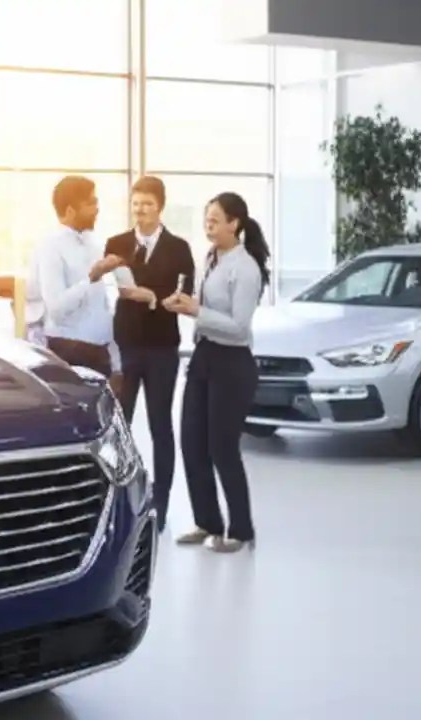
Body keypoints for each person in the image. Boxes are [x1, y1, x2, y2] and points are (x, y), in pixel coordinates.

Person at [163, 191, 269, 553]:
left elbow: (239, 327)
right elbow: (202, 306)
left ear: (233, 224)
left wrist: (196, 311)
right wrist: (184, 304)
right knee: (192, 441)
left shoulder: (247, 267)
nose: (207, 225)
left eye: (214, 220)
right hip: (205, 355)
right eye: (206, 219)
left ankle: (240, 530)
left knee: (222, 447)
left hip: (233, 363)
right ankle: (207, 521)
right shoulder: (211, 258)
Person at [103, 176, 195, 535]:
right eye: (136, 203)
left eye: (147, 204)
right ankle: (119, 501)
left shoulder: (179, 247)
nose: (140, 210)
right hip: (126, 345)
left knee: (160, 425)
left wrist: (151, 296)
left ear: (161, 207)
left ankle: (162, 503)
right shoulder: (116, 244)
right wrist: (149, 294)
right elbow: (114, 288)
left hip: (162, 348)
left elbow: (184, 293)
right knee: (120, 425)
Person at [25, 175, 123, 386]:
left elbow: (102, 305)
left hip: (100, 352)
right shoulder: (50, 247)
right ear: (70, 210)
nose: (97, 208)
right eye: (90, 203)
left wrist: (115, 361)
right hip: (69, 351)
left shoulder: (94, 244)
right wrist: (91, 278)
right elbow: (57, 308)